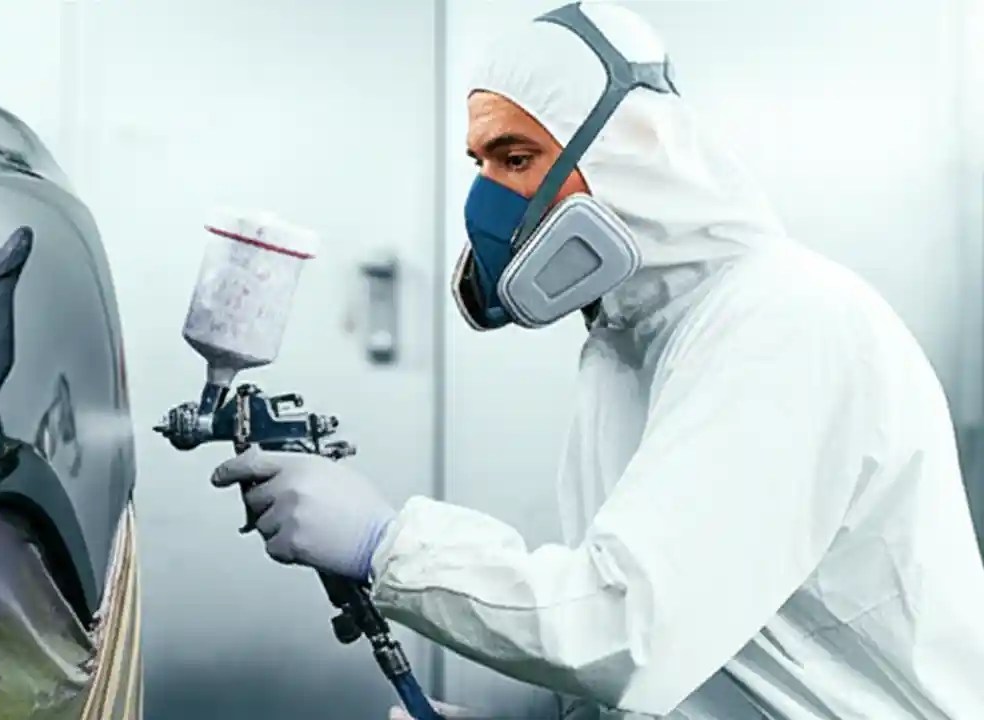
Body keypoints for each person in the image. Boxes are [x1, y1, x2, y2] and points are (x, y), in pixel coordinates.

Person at [210, 2, 984, 718]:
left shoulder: (783, 323)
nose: (489, 203)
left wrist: (387, 544)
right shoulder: (625, 349)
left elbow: (629, 628)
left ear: (624, 157)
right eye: (479, 163)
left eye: (516, 158)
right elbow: (673, 666)